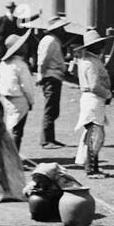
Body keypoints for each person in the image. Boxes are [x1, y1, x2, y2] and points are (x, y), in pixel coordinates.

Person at [72, 34, 113, 177]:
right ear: (93, 46)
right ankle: (91, 169)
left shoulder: (87, 60)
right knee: (95, 135)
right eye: (99, 44)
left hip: (92, 99)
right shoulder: (91, 62)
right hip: (93, 99)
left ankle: (92, 167)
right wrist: (108, 94)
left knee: (93, 134)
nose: (102, 47)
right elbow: (95, 85)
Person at [36, 16, 72, 148]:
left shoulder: (52, 40)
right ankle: (46, 140)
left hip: (53, 76)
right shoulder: (51, 41)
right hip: (51, 76)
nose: (63, 31)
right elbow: (44, 60)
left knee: (52, 109)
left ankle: (50, 138)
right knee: (50, 109)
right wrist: (41, 74)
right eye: (61, 28)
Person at [0, 31, 37, 154]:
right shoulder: (21, 65)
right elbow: (27, 87)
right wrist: (31, 101)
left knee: (10, 127)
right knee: (17, 131)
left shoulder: (3, 64)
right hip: (19, 100)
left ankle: (10, 154)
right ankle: (13, 156)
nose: (26, 47)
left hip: (6, 99)